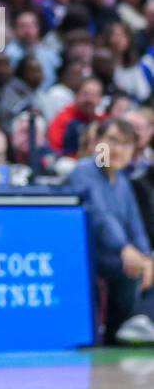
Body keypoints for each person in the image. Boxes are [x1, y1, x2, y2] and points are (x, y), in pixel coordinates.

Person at [68, 117, 154, 344]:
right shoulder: (84, 171)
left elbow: (135, 224)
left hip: (118, 256)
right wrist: (125, 248)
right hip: (92, 255)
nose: (118, 149)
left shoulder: (122, 180)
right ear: (97, 142)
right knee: (130, 267)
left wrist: (146, 256)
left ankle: (137, 323)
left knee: (145, 265)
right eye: (112, 141)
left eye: (126, 144)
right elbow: (100, 217)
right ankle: (131, 324)